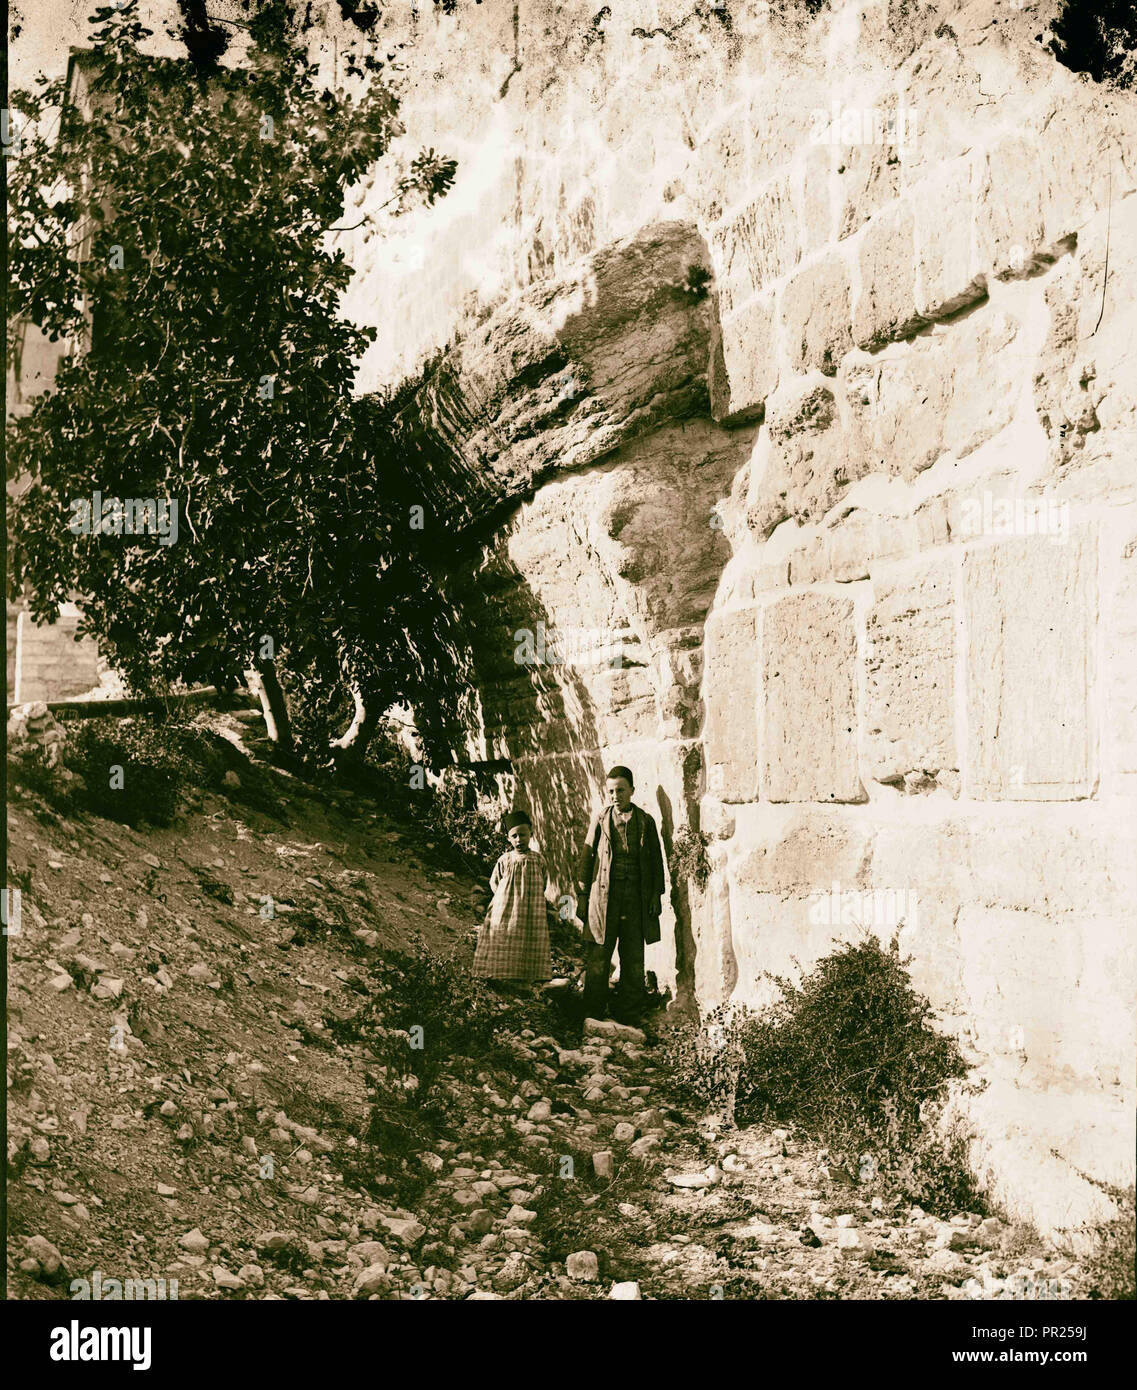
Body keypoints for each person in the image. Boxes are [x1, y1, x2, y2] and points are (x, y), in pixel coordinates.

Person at [575, 766, 665, 1023]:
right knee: (599, 954)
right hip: (604, 898)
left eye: (621, 790)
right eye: (612, 791)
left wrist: (655, 896)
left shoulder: (645, 822)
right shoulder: (601, 820)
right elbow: (586, 857)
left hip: (635, 899)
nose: (616, 795)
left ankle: (629, 1012)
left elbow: (657, 863)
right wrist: (582, 896)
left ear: (632, 791)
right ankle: (593, 1011)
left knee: (634, 955)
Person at [473, 809, 552, 986]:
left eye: (522, 835)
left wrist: (532, 898)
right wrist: (503, 898)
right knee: (504, 933)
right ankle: (499, 975)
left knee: (529, 937)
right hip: (507, 907)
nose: (519, 840)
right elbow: (494, 882)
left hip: (531, 908)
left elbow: (544, 882)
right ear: (509, 838)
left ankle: (526, 977)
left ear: (531, 833)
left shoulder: (538, 860)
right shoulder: (505, 859)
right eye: (514, 836)